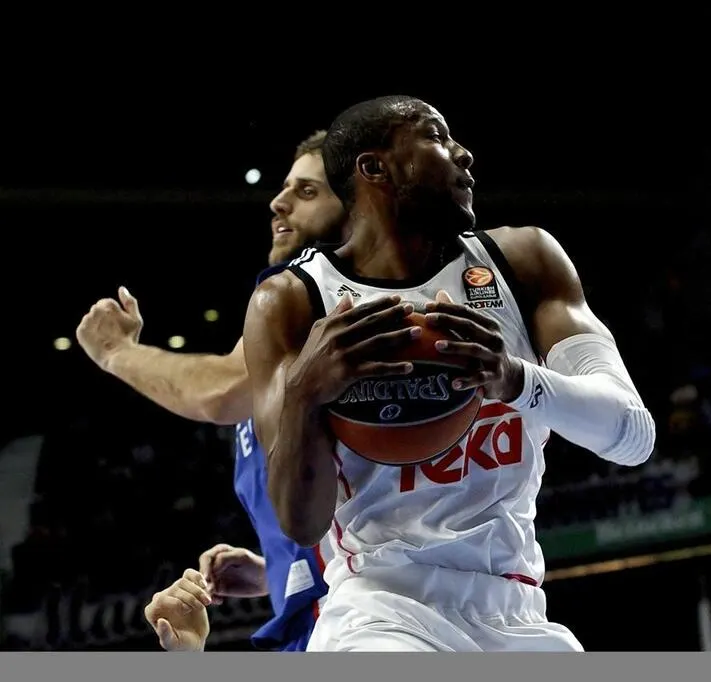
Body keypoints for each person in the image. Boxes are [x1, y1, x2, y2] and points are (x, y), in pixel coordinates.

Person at [243, 95, 656, 652]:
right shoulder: (293, 301)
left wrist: (514, 379)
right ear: (375, 167)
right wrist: (304, 394)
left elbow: (633, 436)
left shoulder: (523, 261)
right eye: (437, 136)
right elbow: (301, 523)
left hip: (519, 610)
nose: (464, 154)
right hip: (380, 614)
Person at [75, 131, 345, 652]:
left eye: (308, 191)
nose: (278, 202)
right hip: (321, 613)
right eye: (285, 187)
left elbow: (221, 391)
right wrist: (275, 567)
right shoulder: (290, 331)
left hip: (355, 624)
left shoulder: (324, 294)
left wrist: (116, 353)